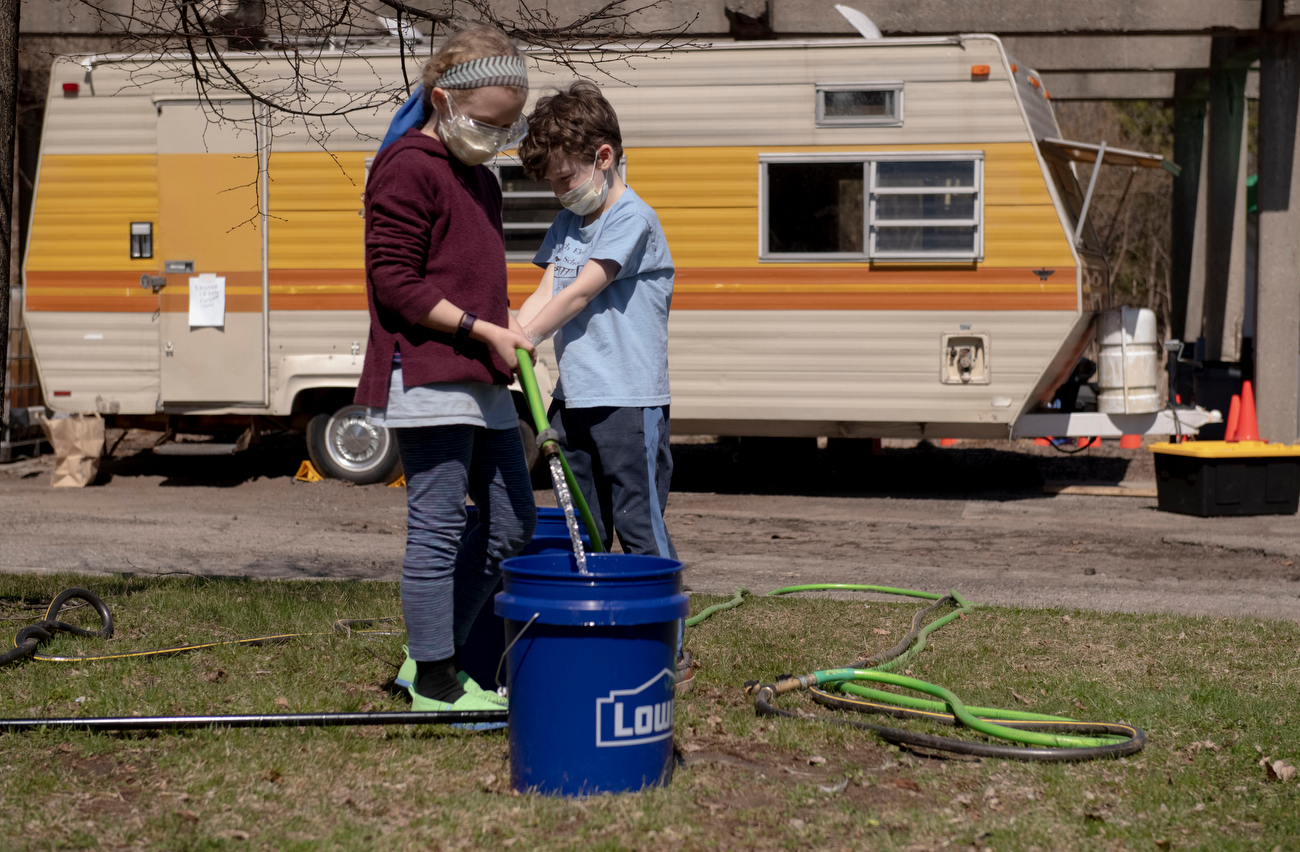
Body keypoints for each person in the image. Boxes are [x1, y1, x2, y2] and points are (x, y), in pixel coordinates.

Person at [356, 26, 537, 720]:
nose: (496, 135)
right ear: (442, 99)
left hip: (481, 376)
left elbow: (474, 278)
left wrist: (508, 320)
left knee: (512, 524)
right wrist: (479, 326)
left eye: (507, 125)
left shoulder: (479, 177)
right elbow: (394, 282)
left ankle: (430, 657)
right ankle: (435, 682)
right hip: (430, 373)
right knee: (437, 527)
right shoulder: (408, 165)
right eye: (487, 121)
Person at [515, 82, 676, 564]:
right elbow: (547, 291)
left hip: (628, 402)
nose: (559, 191)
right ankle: (597, 629)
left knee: (638, 525)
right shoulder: (567, 224)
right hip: (574, 398)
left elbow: (583, 288)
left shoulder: (634, 219)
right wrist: (507, 339)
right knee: (585, 526)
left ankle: (666, 637)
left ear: (603, 158)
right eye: (551, 182)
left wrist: (529, 334)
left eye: (566, 178)